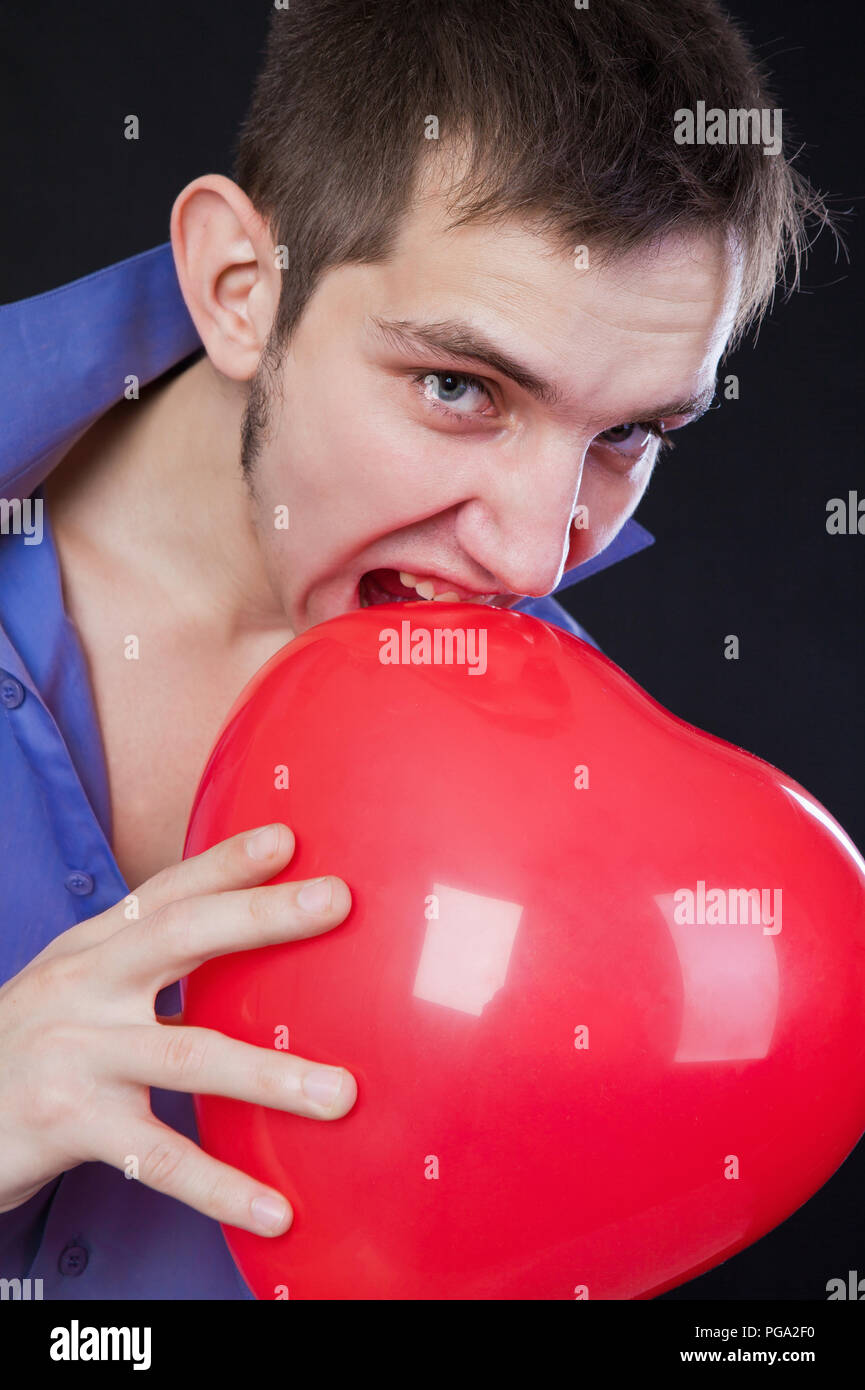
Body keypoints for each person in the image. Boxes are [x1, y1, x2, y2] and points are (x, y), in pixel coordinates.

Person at [0, 0, 826, 1299]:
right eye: (461, 389)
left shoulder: (581, 813)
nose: (534, 559)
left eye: (627, 436)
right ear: (238, 289)